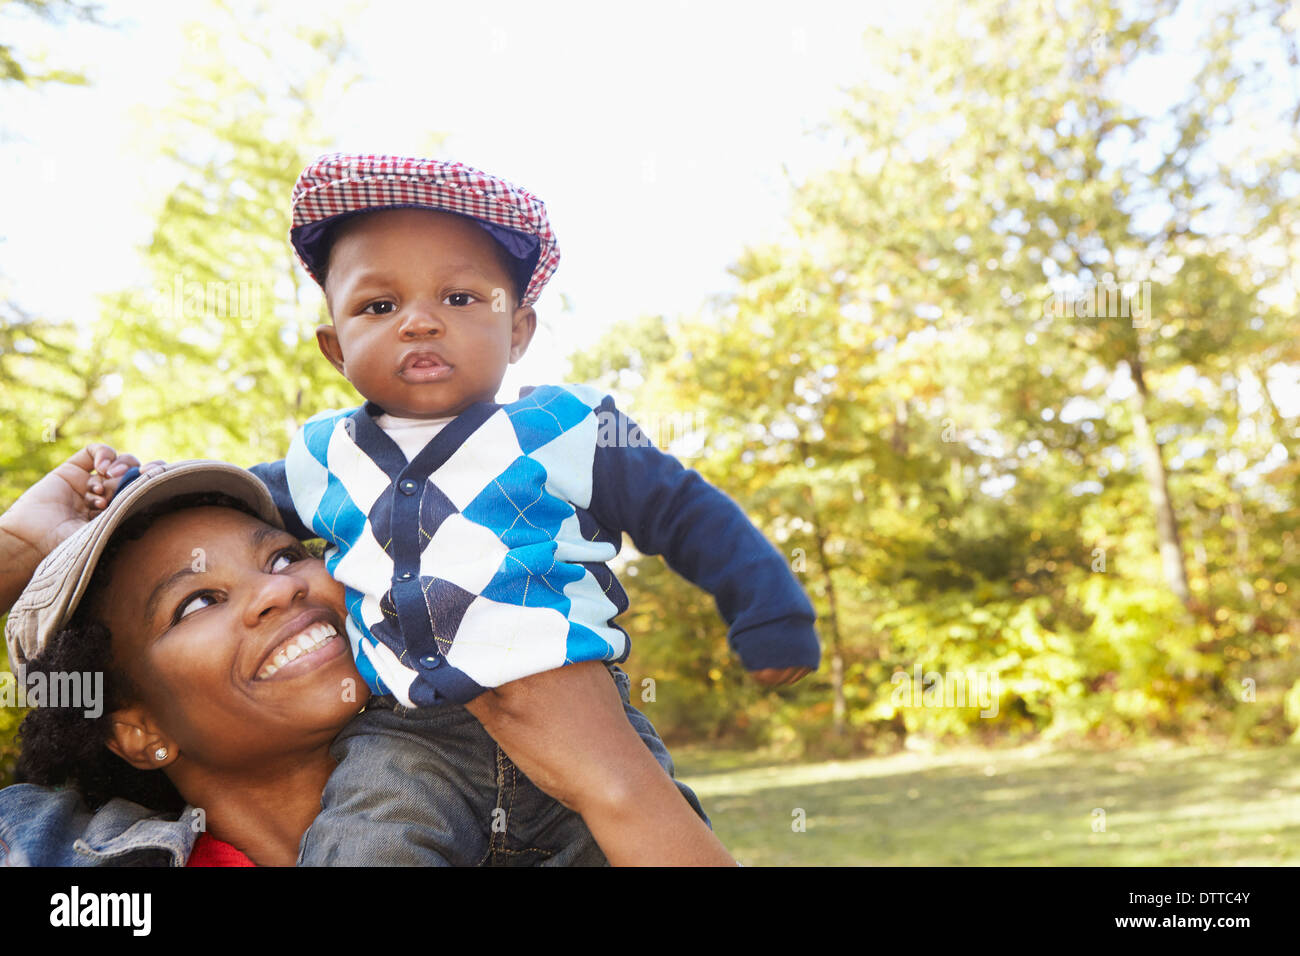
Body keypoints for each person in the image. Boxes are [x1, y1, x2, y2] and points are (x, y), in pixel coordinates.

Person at [245, 153, 821, 864]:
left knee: (638, 840)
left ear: (518, 331)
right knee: (362, 848)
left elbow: (689, 512)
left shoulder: (567, 428)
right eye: (379, 306)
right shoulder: (322, 457)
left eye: (459, 299)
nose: (419, 322)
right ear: (336, 348)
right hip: (409, 737)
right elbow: (217, 502)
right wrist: (118, 484)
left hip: (583, 712)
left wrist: (772, 610)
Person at [0, 449, 735, 866]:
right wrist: (16, 557)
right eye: (197, 601)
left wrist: (620, 788)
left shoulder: (523, 777)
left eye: (284, 555)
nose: (279, 592)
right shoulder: (72, 863)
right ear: (133, 727)